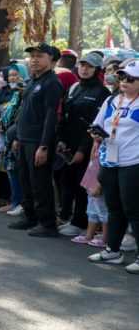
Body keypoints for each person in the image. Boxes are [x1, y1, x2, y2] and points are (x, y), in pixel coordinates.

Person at [87, 59, 139, 273]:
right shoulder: (112, 100)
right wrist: (95, 135)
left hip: (133, 162)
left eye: (131, 78)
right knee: (114, 208)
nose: (124, 81)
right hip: (110, 160)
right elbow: (98, 125)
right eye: (122, 77)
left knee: (134, 210)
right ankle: (113, 250)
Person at [8, 43, 65, 237]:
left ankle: (47, 223)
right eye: (32, 56)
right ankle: (30, 216)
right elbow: (24, 111)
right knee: (25, 180)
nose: (34, 59)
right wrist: (17, 136)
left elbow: (51, 117)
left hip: (37, 141)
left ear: (53, 60)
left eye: (40, 56)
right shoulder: (32, 80)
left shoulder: (52, 83)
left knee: (39, 182)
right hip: (24, 138)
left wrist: (44, 145)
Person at [56, 53, 109, 236]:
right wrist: (61, 140)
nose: (85, 70)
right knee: (67, 181)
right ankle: (70, 218)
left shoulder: (102, 93)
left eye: (90, 67)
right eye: (82, 65)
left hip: (87, 147)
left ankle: (80, 222)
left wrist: (81, 150)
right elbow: (64, 116)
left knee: (82, 186)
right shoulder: (74, 88)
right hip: (68, 145)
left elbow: (96, 126)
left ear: (97, 70)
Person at [0, 64, 28, 216]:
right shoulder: (11, 92)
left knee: (17, 170)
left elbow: (21, 117)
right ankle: (14, 201)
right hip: (7, 136)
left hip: (17, 137)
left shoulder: (24, 92)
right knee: (10, 169)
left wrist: (16, 136)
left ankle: (20, 203)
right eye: (10, 75)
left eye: (16, 75)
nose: (13, 78)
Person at [72, 144, 107, 247]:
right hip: (94, 170)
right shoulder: (97, 142)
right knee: (91, 206)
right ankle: (89, 235)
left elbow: (109, 162)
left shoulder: (111, 140)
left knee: (103, 207)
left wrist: (100, 185)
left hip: (102, 173)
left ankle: (106, 238)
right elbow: (92, 157)